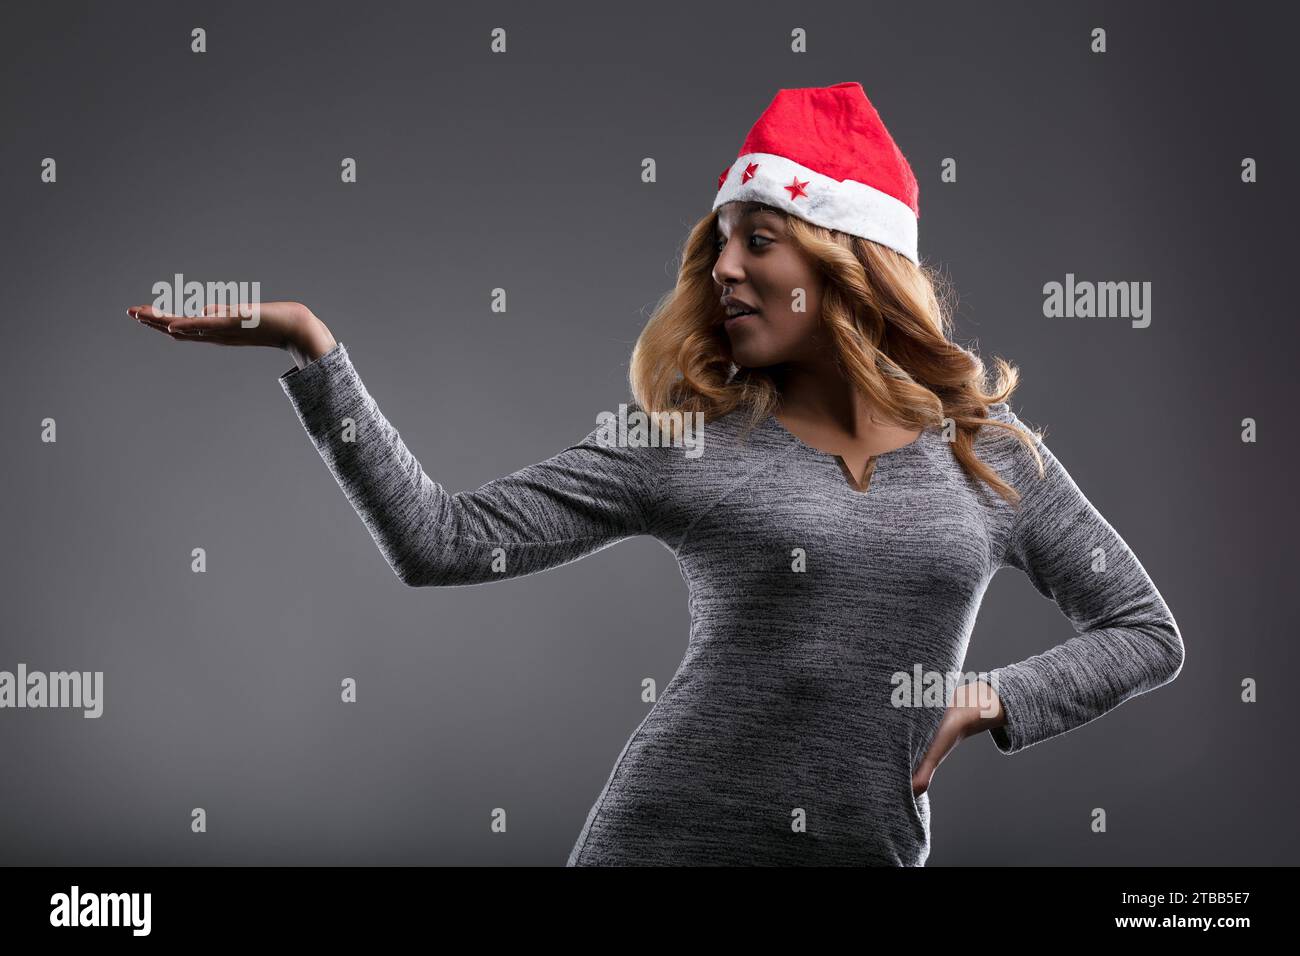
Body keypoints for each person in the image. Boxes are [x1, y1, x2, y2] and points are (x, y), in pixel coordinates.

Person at [126, 81, 1184, 865]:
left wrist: (992, 694)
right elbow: (439, 540)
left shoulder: (985, 452)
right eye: (720, 241)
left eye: (758, 238)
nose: (722, 266)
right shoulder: (688, 442)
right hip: (660, 843)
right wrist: (316, 353)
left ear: (845, 266)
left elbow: (1144, 631)